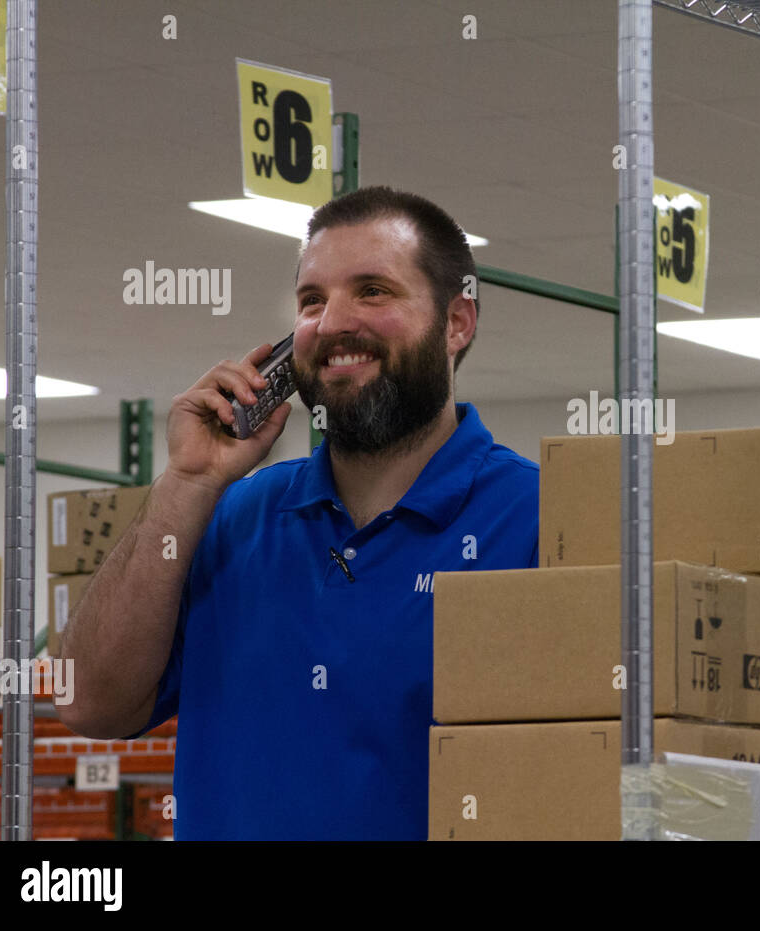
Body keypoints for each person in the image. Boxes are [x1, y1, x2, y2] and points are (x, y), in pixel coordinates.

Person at [58, 187, 539, 840]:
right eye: (312, 300)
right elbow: (88, 701)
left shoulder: (538, 520)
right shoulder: (231, 520)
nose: (332, 322)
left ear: (457, 322)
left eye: (372, 290)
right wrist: (187, 482)